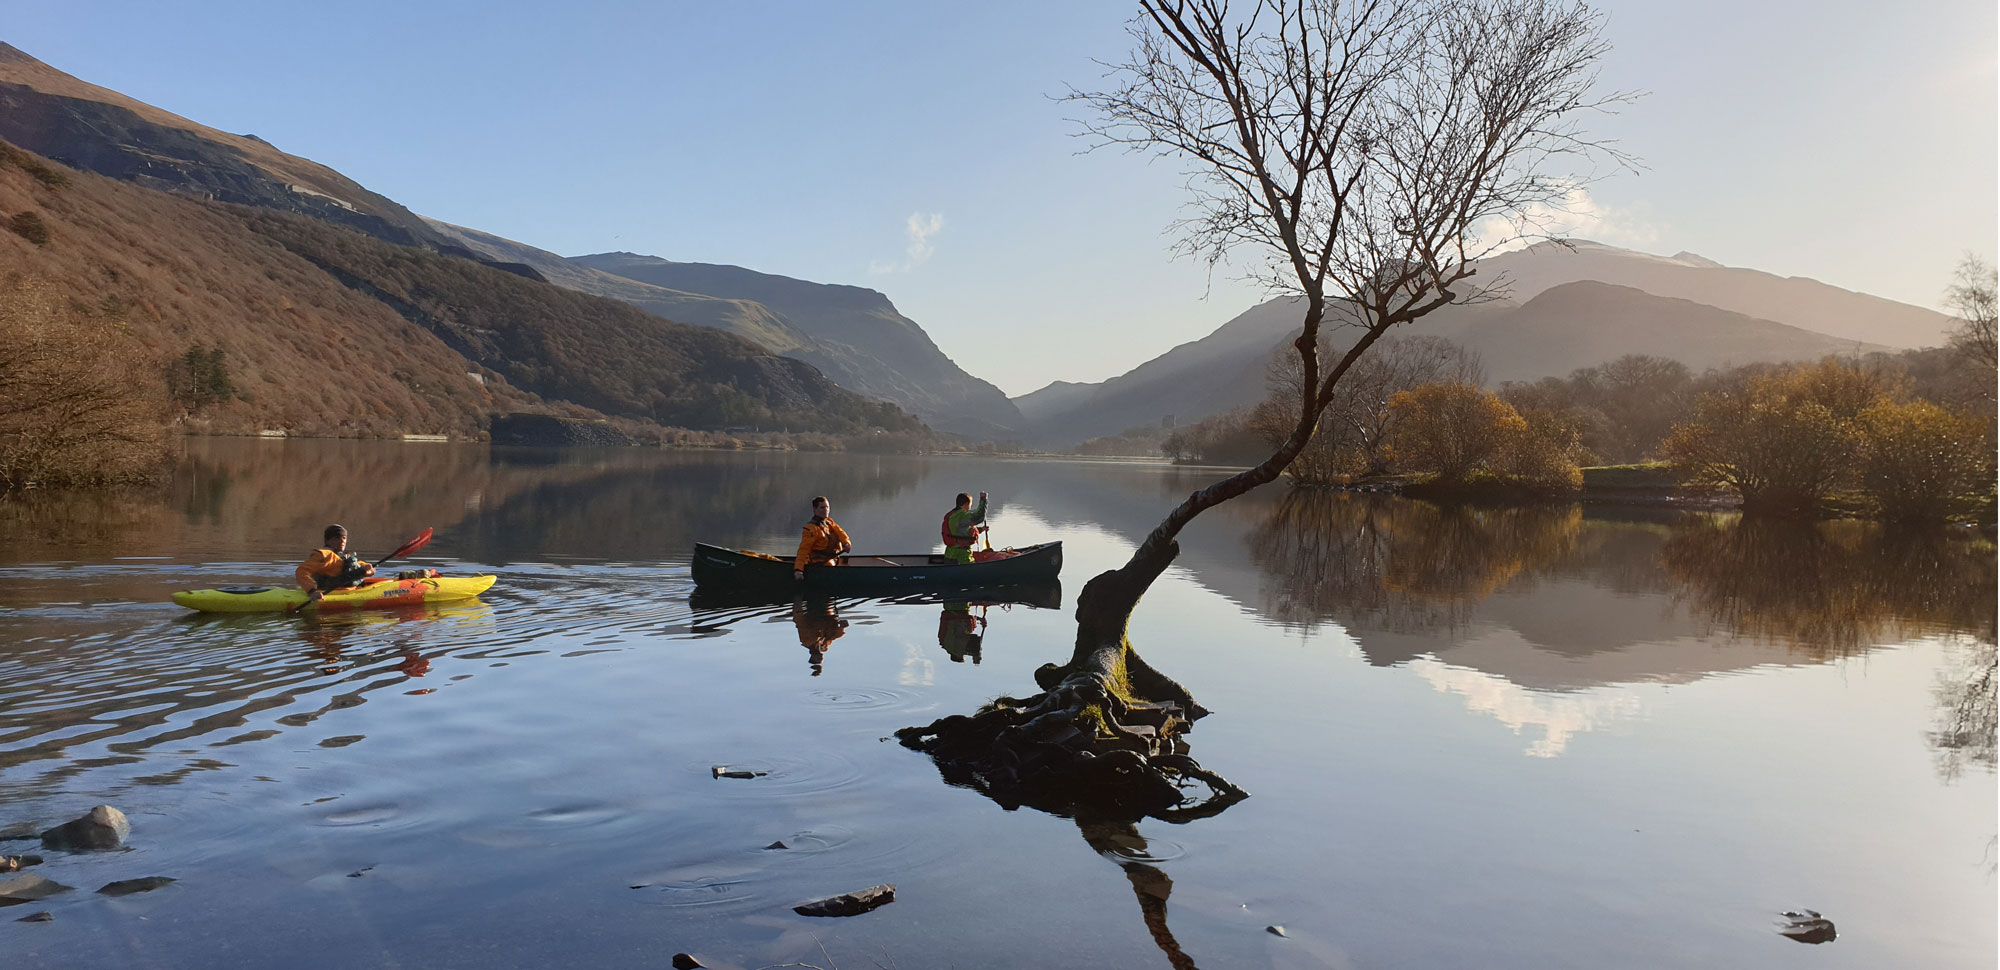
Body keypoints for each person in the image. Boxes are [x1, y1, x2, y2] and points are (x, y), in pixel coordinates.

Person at [295, 524, 375, 604]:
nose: (342, 540)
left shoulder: (344, 556)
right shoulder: (324, 555)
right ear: (327, 541)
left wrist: (367, 570)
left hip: (350, 591)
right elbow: (302, 571)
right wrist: (312, 591)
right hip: (329, 593)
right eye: (337, 538)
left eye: (344, 538)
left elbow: (361, 565)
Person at [794, 496, 852, 581]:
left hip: (833, 561)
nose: (826, 510)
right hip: (820, 564)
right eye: (822, 507)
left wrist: (846, 543)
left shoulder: (830, 523)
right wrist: (798, 570)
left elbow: (841, 533)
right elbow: (803, 551)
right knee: (830, 565)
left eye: (827, 507)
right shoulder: (811, 529)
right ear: (815, 509)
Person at [940, 491, 987, 564]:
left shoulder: (952, 515)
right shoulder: (961, 516)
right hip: (961, 558)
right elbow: (979, 516)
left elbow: (961, 531)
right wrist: (983, 500)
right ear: (966, 504)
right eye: (970, 505)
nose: (969, 508)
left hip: (949, 556)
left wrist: (981, 529)